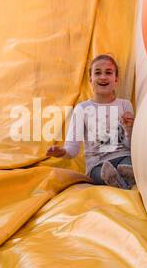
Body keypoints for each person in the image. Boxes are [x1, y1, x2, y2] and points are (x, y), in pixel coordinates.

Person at [46, 54, 137, 189]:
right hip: (98, 163)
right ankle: (116, 178)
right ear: (91, 79)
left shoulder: (125, 105)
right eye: (97, 73)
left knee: (129, 164)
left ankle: (122, 177)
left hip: (123, 157)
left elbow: (132, 146)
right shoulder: (82, 109)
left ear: (116, 79)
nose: (103, 77)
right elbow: (72, 150)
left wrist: (129, 129)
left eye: (108, 72)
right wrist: (61, 152)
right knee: (100, 172)